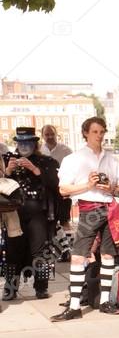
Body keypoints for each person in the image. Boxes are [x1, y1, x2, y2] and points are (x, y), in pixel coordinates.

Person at [52, 116, 119, 320]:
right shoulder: (73, 159)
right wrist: (88, 185)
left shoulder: (111, 159)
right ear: (85, 133)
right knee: (78, 256)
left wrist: (110, 187)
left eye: (102, 132)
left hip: (110, 209)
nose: (99, 136)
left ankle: (105, 302)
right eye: (95, 132)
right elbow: (63, 189)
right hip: (89, 210)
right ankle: (74, 306)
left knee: (109, 256)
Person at [2, 128, 60, 299]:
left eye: (28, 142)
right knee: (12, 250)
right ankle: (10, 288)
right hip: (14, 212)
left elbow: (56, 185)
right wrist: (8, 172)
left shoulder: (46, 161)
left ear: (35, 144)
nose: (24, 146)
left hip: (38, 212)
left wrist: (36, 170)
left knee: (40, 250)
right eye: (20, 142)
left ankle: (41, 287)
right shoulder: (6, 159)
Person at [40, 125, 73, 230]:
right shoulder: (39, 150)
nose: (50, 136)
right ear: (42, 136)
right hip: (44, 187)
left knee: (64, 218)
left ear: (56, 135)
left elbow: (72, 169)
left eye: (52, 134)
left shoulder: (66, 150)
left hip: (61, 185)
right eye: (47, 134)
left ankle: (66, 229)